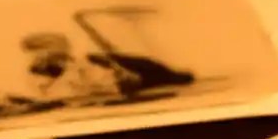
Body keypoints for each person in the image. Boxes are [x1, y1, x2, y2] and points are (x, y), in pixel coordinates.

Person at [20, 32, 195, 103]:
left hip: (112, 80)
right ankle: (170, 76)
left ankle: (172, 75)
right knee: (147, 74)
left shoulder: (79, 61)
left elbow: (103, 73)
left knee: (144, 64)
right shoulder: (38, 74)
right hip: (105, 87)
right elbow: (61, 92)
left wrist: (114, 71)